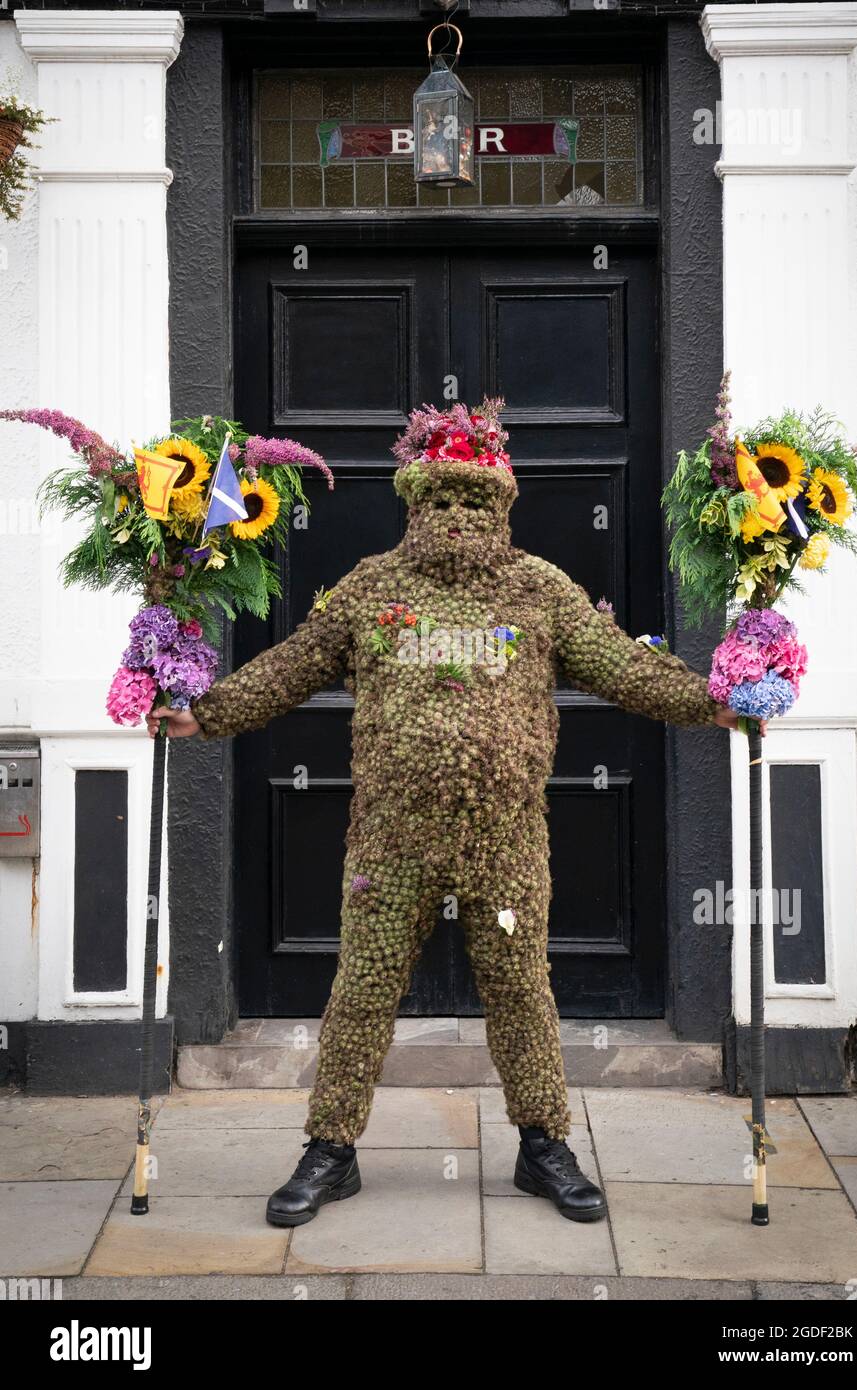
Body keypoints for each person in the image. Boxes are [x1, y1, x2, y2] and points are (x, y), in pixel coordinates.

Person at [149, 411, 750, 1229]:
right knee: (360, 990)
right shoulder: (370, 587)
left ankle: (542, 1145)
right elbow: (289, 666)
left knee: (520, 990)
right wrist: (203, 714)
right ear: (412, 502)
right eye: (440, 501)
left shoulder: (540, 589)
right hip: (388, 838)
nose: (458, 517)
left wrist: (711, 702)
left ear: (503, 505)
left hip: (504, 837)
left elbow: (622, 668)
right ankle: (331, 1149)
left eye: (476, 502)